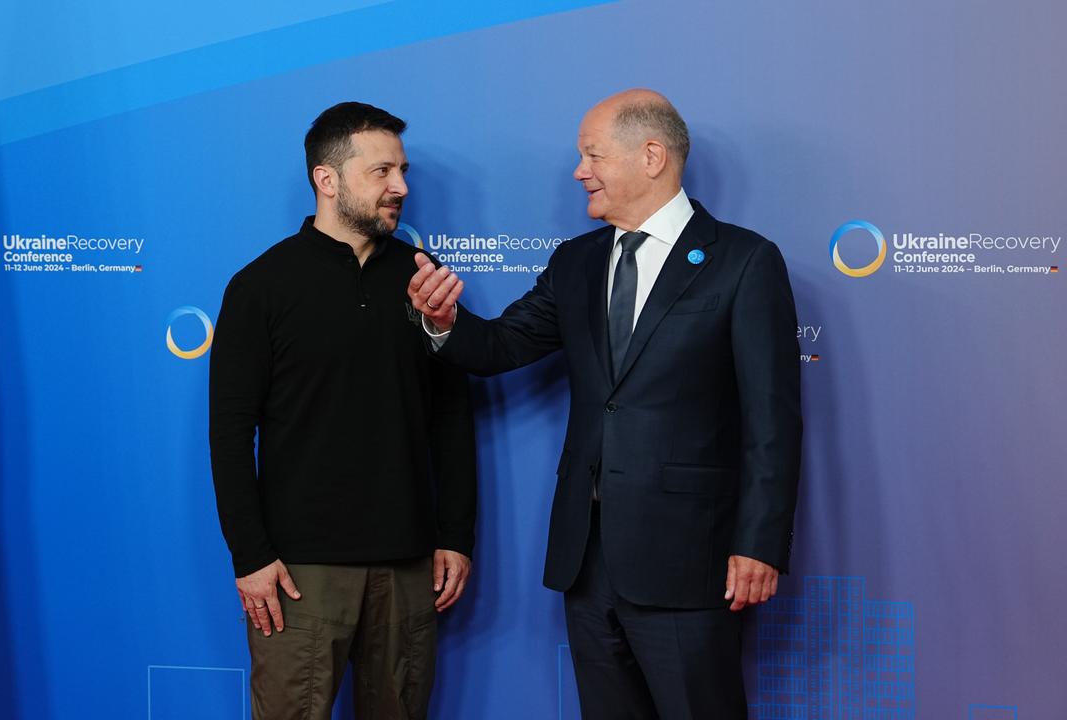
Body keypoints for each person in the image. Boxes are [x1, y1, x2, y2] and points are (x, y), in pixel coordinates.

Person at [407, 89, 801, 719]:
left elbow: (772, 421)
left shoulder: (743, 261)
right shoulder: (578, 262)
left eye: (591, 154)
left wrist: (758, 544)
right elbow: (501, 344)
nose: (578, 171)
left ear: (651, 156)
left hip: (689, 561)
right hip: (587, 561)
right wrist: (443, 321)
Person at [209, 101, 476, 720]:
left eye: (402, 171)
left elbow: (452, 417)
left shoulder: (424, 283)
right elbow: (229, 433)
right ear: (327, 180)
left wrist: (455, 536)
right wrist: (250, 556)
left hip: (409, 568)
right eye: (382, 171)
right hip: (299, 573)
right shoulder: (260, 287)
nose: (401, 187)